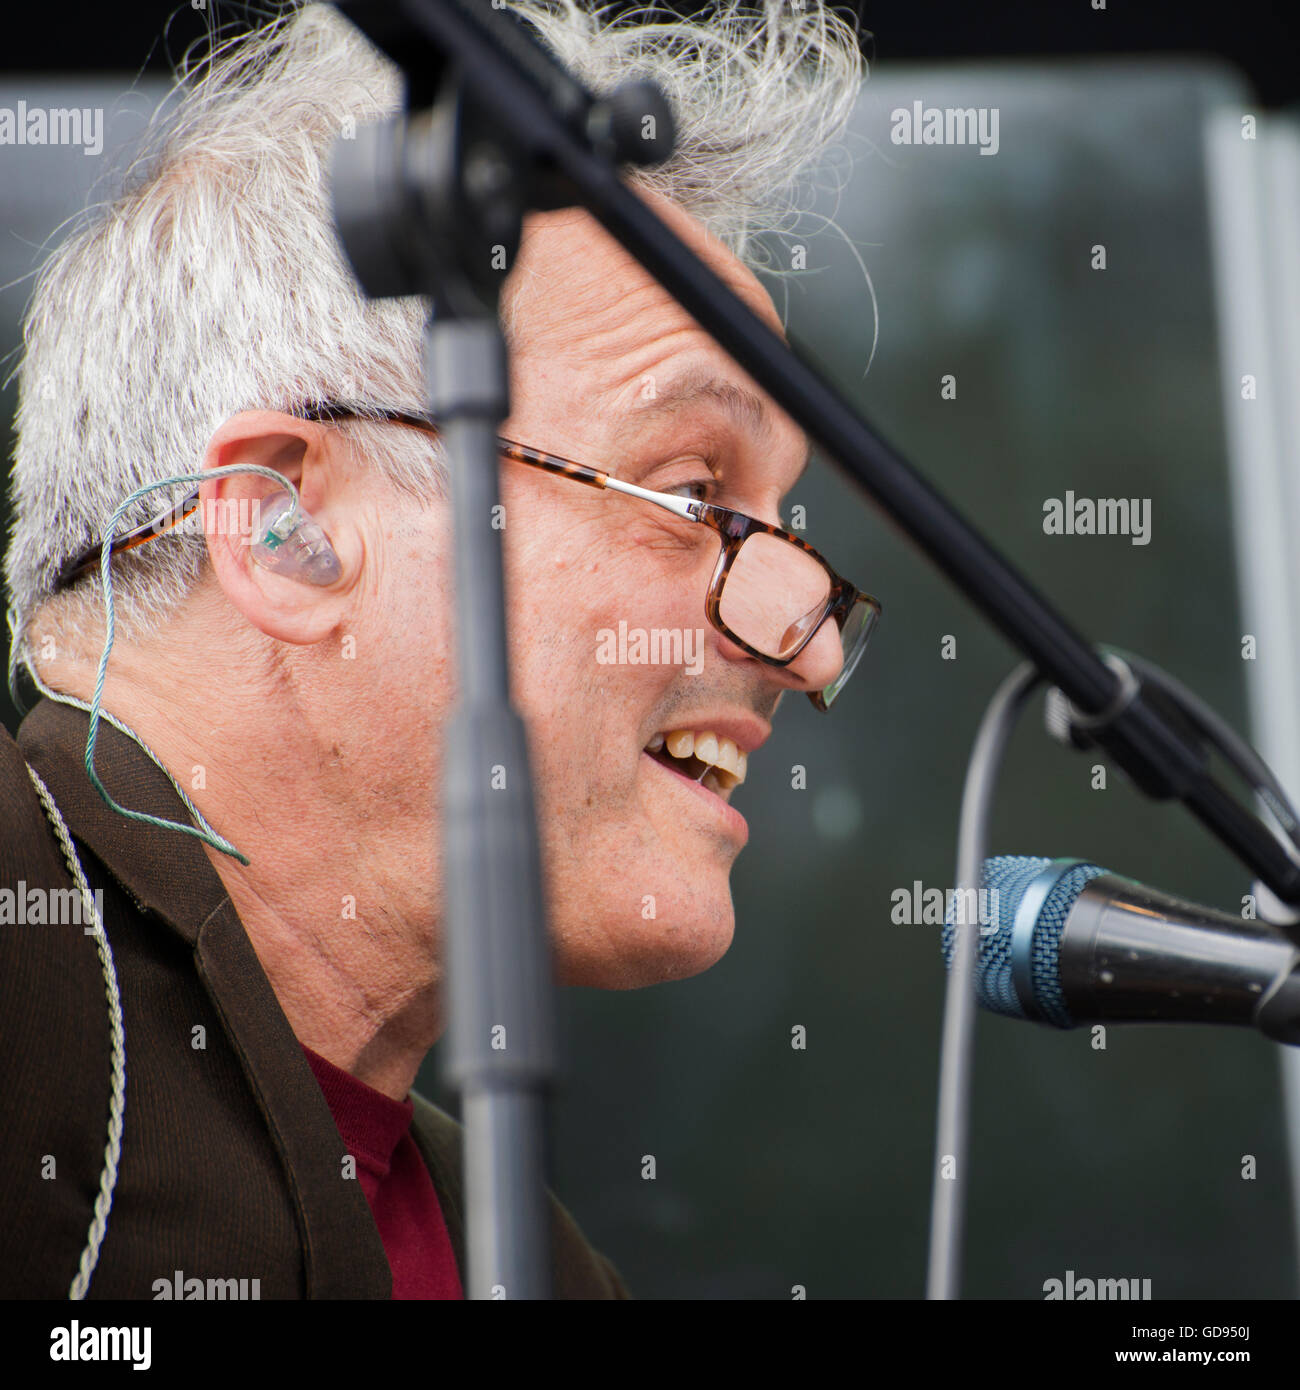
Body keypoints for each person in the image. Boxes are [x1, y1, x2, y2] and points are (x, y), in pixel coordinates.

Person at [0, 0, 871, 1299]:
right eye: (696, 495)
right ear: (285, 528)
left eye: (784, 521)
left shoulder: (536, 1263)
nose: (810, 647)